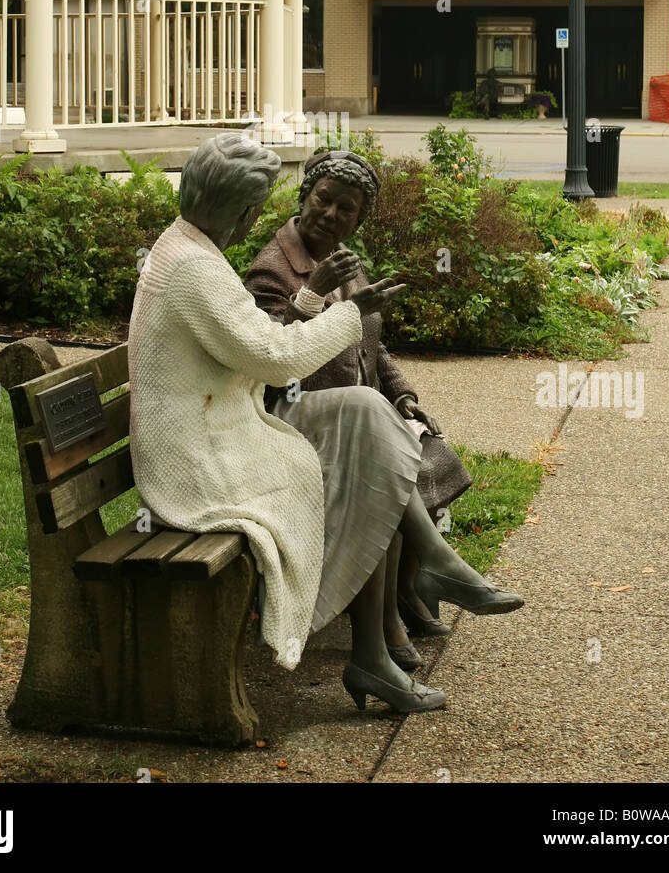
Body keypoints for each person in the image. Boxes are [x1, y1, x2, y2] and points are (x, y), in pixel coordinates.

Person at [128, 135, 518, 715]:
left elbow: (263, 347)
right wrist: (347, 313)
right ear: (243, 210)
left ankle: (422, 580)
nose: (259, 218)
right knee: (365, 467)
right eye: (257, 207)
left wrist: (385, 372)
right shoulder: (197, 269)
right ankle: (382, 643)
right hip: (199, 463)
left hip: (226, 428)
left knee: (366, 412)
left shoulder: (189, 251)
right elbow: (276, 358)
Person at [244, 149, 523, 661]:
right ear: (303, 197)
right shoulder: (272, 271)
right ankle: (395, 618)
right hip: (298, 424)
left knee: (424, 453)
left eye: (346, 209)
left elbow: (372, 343)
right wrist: (314, 292)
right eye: (323, 199)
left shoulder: (345, 262)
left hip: (359, 415)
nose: (330, 214)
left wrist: (403, 395)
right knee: (385, 479)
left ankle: (410, 592)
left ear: (359, 220)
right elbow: (270, 358)